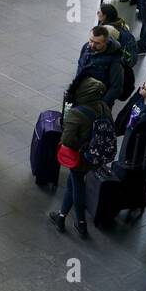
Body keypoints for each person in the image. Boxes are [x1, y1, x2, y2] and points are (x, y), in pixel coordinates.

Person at [47, 76, 111, 239]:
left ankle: (81, 223)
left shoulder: (77, 113)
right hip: (96, 155)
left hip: (80, 157)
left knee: (77, 187)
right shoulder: (103, 106)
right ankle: (61, 217)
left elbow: (67, 140)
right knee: (72, 184)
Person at [75, 25, 126, 107]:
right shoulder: (86, 47)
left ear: (106, 42)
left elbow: (116, 88)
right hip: (80, 94)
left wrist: (101, 105)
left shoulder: (115, 61)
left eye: (97, 43)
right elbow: (80, 65)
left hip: (97, 101)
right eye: (91, 40)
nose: (92, 45)